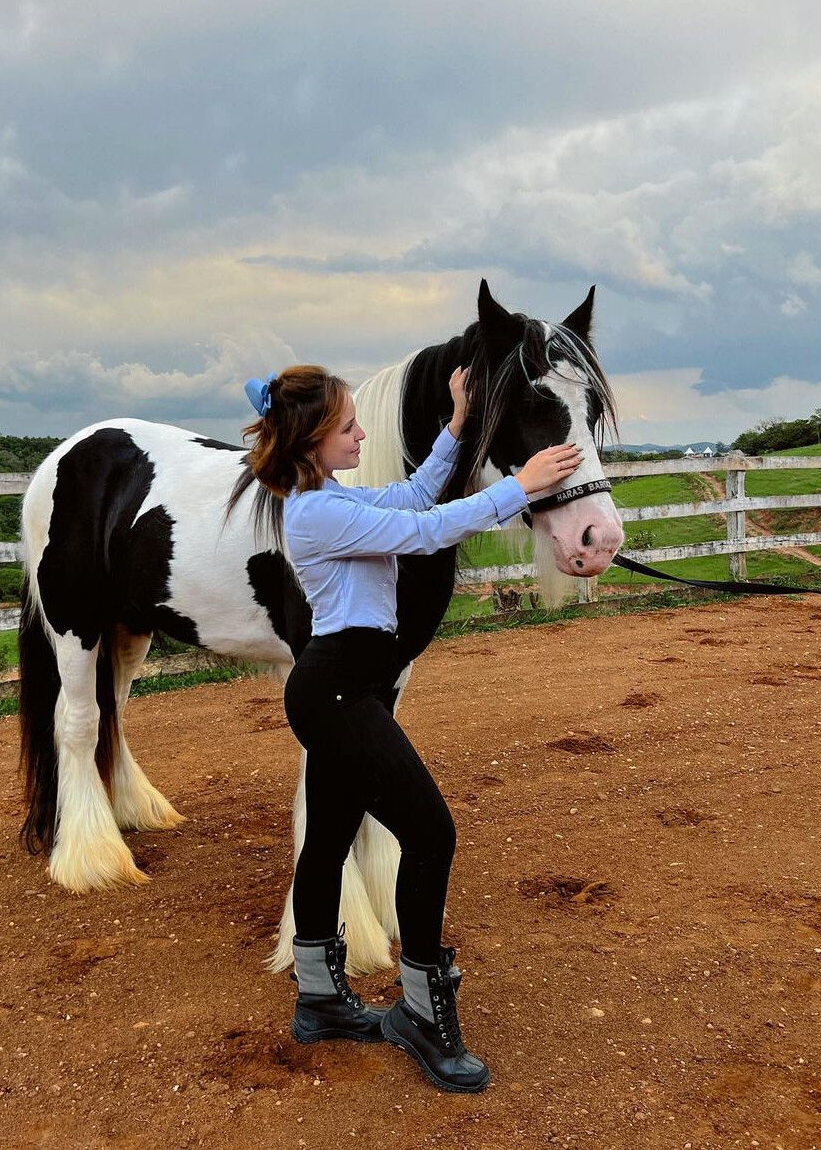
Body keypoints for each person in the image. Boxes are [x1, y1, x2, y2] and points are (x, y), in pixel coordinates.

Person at [237, 363, 582, 1094]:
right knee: (431, 834)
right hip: (338, 689)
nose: (362, 432)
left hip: (341, 685)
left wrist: (456, 425)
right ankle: (422, 1015)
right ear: (311, 438)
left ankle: (320, 1000)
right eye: (348, 425)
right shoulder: (316, 511)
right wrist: (521, 485)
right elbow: (426, 529)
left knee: (328, 840)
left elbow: (419, 494)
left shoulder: (331, 498)